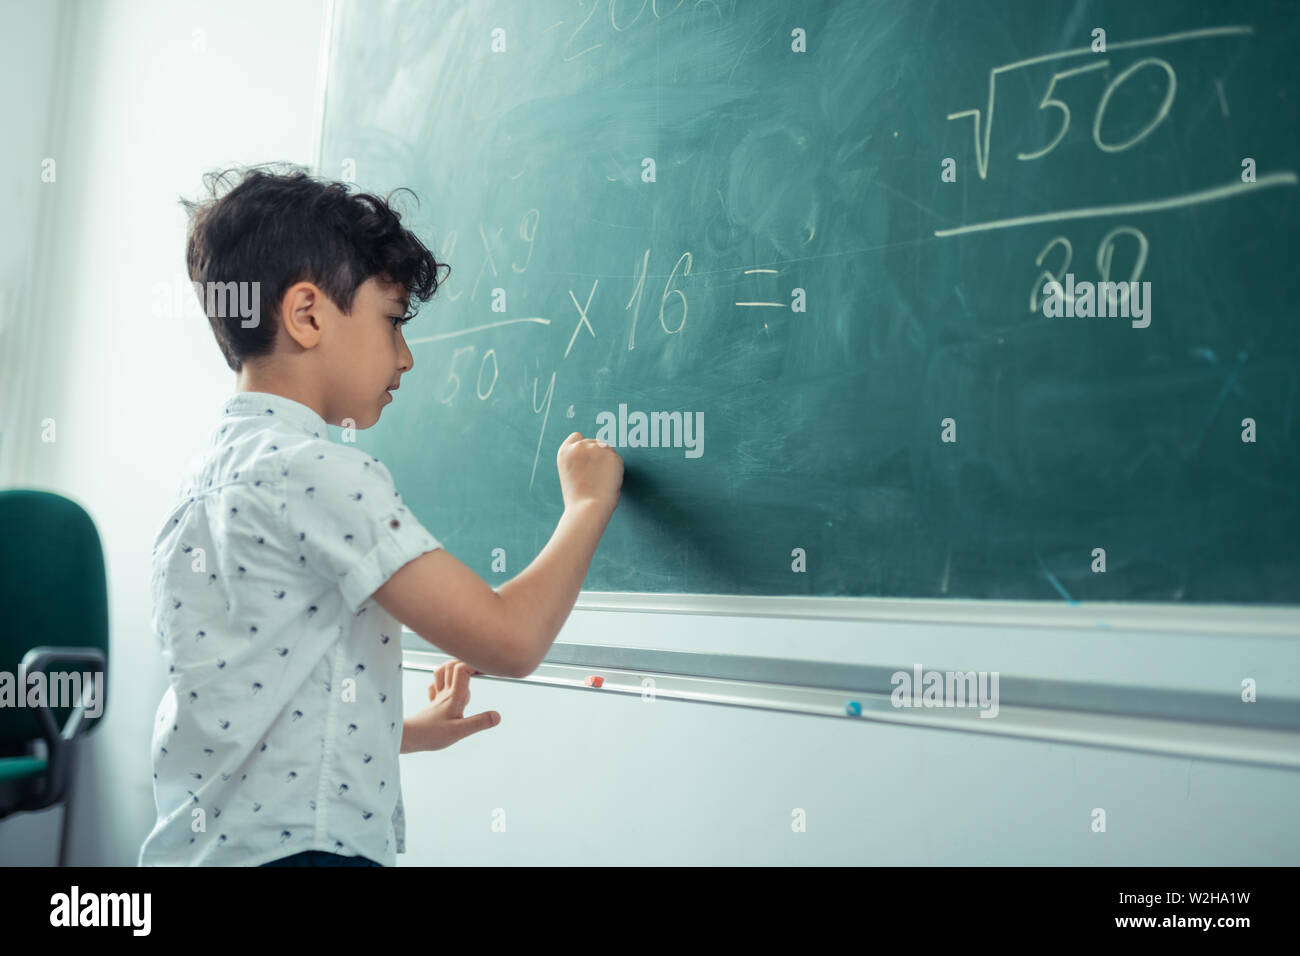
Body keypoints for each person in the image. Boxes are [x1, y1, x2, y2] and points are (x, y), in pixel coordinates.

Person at [139, 165, 623, 866]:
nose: (406, 356)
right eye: (392, 321)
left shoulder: (200, 486)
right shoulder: (321, 474)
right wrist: (586, 505)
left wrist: (402, 728)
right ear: (306, 314)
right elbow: (512, 640)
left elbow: (254, 709)